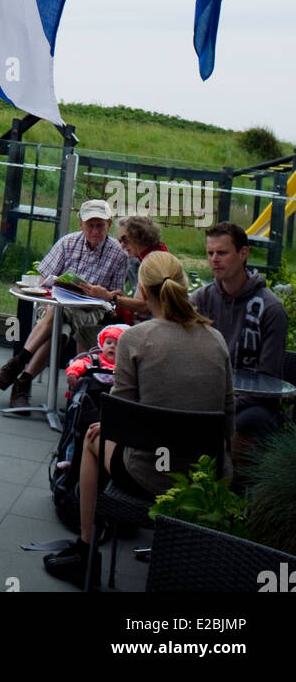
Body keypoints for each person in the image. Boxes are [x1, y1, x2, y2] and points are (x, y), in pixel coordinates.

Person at [44, 251, 234, 588]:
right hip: (207, 477)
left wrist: (112, 428)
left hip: (150, 475)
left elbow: (119, 419)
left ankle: (86, 552)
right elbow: (228, 415)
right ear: (183, 286)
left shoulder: (136, 338)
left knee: (91, 437)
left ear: (142, 293)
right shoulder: (215, 339)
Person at [0, 199, 127, 411]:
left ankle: (17, 366)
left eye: (100, 225)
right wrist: (61, 282)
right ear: (80, 224)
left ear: (109, 224)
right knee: (59, 327)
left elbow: (116, 295)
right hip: (60, 304)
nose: (94, 230)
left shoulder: (118, 253)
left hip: (92, 310)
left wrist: (104, 293)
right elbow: (44, 275)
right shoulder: (68, 242)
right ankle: (23, 380)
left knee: (57, 314)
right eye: (90, 225)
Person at [190, 222, 287, 453]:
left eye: (222, 253)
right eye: (210, 253)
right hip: (206, 394)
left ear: (243, 254)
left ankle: (227, 486)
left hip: (251, 405)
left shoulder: (271, 309)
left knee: (249, 421)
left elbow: (268, 382)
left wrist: (223, 404)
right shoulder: (200, 300)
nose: (214, 259)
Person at [111, 215, 168, 323]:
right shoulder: (152, 255)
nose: (122, 246)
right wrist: (124, 300)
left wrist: (111, 297)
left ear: (139, 236)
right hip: (148, 323)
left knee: (84, 333)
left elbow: (145, 307)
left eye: (125, 239)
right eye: (120, 241)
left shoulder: (153, 262)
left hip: (151, 327)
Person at [64, 322, 129, 397]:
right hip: (92, 395)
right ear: (102, 345)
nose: (112, 346)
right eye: (108, 343)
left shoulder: (127, 365)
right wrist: (73, 372)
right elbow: (80, 363)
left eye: (117, 344)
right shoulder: (95, 359)